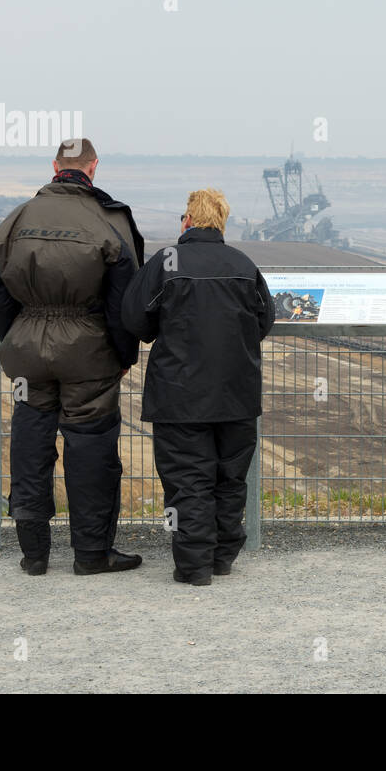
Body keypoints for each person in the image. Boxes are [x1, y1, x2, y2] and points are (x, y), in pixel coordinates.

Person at [0, 138, 144, 576]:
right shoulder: (108, 221)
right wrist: (123, 352)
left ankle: (34, 555)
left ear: (55, 166)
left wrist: (15, 334)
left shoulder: (16, 219)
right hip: (89, 349)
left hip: (27, 347)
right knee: (91, 447)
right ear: (92, 168)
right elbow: (123, 299)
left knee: (30, 444)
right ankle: (92, 555)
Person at [121, 188, 275, 586]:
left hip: (179, 397)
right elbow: (264, 321)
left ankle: (193, 566)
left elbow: (136, 319)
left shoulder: (167, 262)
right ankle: (222, 558)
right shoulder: (243, 264)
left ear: (187, 220)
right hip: (236, 396)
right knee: (229, 478)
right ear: (222, 222)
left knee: (189, 479)